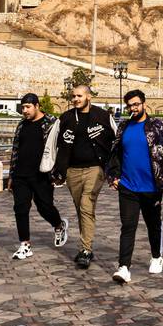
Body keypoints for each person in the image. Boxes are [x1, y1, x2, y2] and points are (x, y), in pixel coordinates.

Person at [107, 89, 163, 285]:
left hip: (151, 186)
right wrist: (113, 176)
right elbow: (114, 154)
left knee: (153, 224)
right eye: (129, 105)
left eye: (136, 104)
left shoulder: (156, 126)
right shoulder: (123, 127)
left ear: (144, 104)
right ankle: (124, 268)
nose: (133, 108)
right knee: (128, 226)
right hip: (128, 186)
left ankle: (156, 256)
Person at [53, 84, 116, 268]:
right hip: (72, 170)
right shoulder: (65, 118)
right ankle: (86, 245)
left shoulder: (103, 117)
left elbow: (116, 142)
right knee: (81, 208)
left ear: (89, 97)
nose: (76, 99)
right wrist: (56, 170)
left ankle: (85, 250)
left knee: (86, 205)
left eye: (79, 96)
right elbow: (53, 144)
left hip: (95, 169)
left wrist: (114, 169)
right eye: (73, 96)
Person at [9, 93, 68, 261]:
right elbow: (16, 150)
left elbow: (61, 148)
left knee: (44, 207)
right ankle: (24, 245)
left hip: (42, 174)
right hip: (21, 174)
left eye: (28, 107)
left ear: (37, 106)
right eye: (23, 108)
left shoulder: (51, 123)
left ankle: (58, 224)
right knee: (20, 208)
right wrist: (12, 175)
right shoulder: (21, 125)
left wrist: (59, 173)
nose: (25, 111)